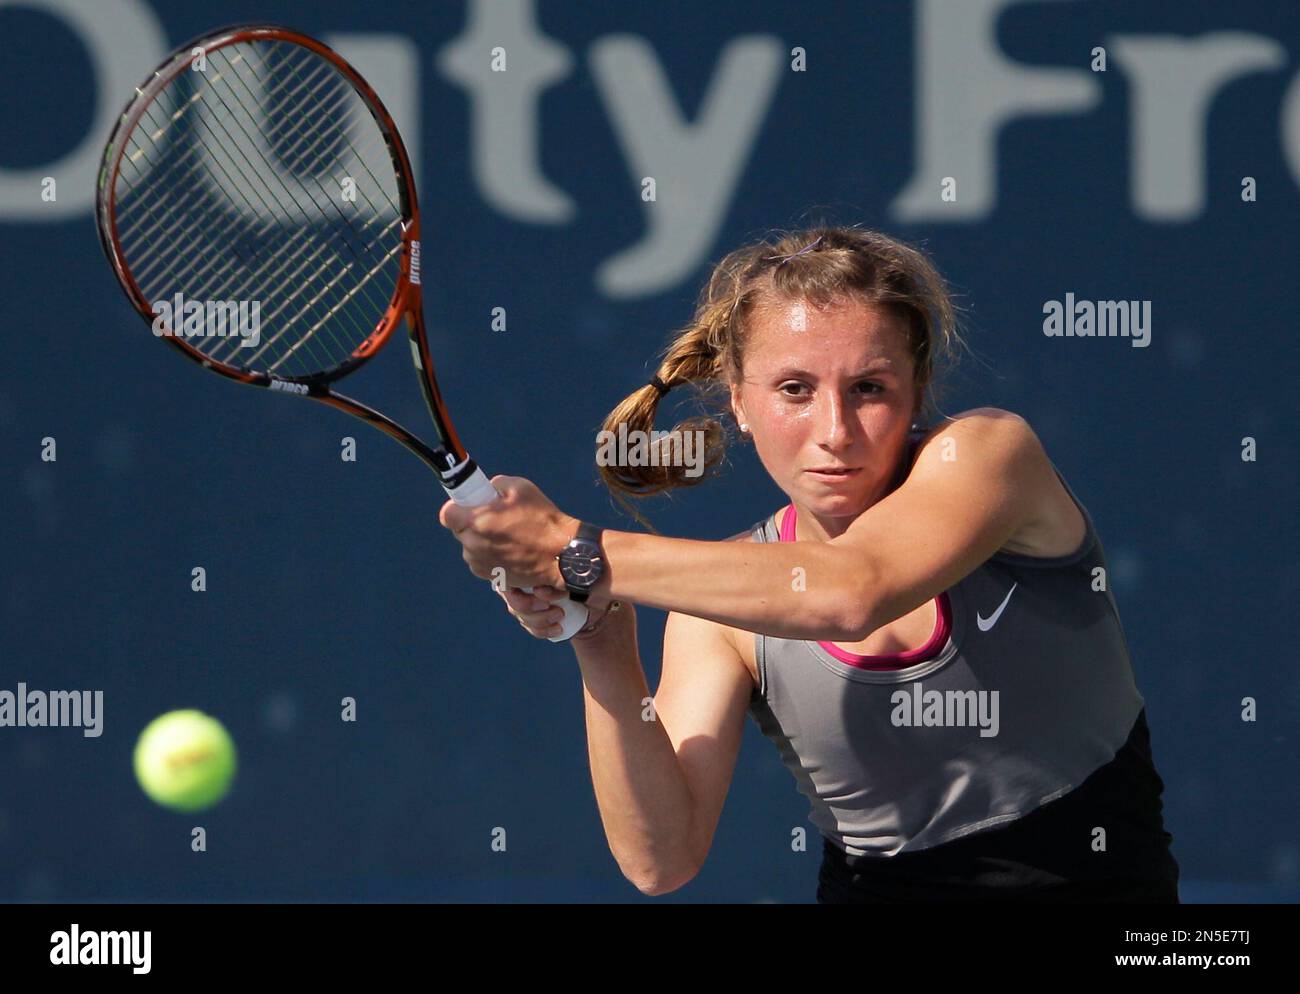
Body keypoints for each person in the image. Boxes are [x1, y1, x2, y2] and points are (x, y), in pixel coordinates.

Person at [438, 225, 1180, 902]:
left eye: (869, 389)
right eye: (794, 389)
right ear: (738, 401)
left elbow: (853, 591)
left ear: (917, 390)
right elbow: (660, 858)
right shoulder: (720, 611)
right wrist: (598, 637)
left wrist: (575, 548)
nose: (835, 431)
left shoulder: (991, 452)